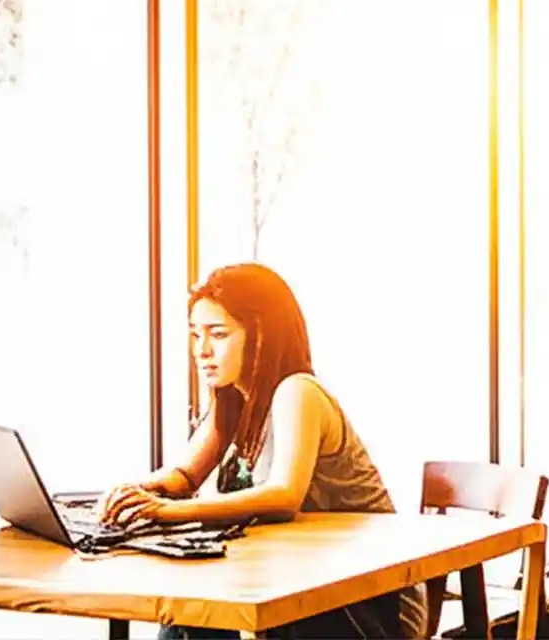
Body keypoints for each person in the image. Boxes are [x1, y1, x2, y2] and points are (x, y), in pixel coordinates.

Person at [98, 263, 427, 639]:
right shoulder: (232, 401)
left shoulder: (298, 391)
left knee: (201, 610)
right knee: (193, 610)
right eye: (195, 335)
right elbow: (184, 476)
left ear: (261, 336)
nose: (202, 351)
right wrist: (135, 492)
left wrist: (169, 511)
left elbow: (283, 496)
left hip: (366, 601)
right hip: (302, 587)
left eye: (218, 335)